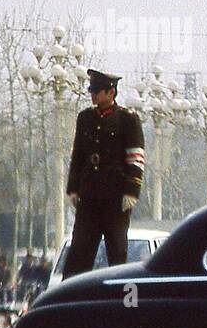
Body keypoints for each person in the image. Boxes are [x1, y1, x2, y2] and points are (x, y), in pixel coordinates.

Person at [63, 70, 146, 280]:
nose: (93, 95)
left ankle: (121, 298)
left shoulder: (128, 120)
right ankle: (72, 295)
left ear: (111, 92)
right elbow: (79, 155)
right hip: (89, 195)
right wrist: (73, 188)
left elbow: (135, 157)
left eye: (97, 91)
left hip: (115, 197)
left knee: (117, 251)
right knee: (80, 249)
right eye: (92, 91)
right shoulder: (85, 118)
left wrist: (131, 191)